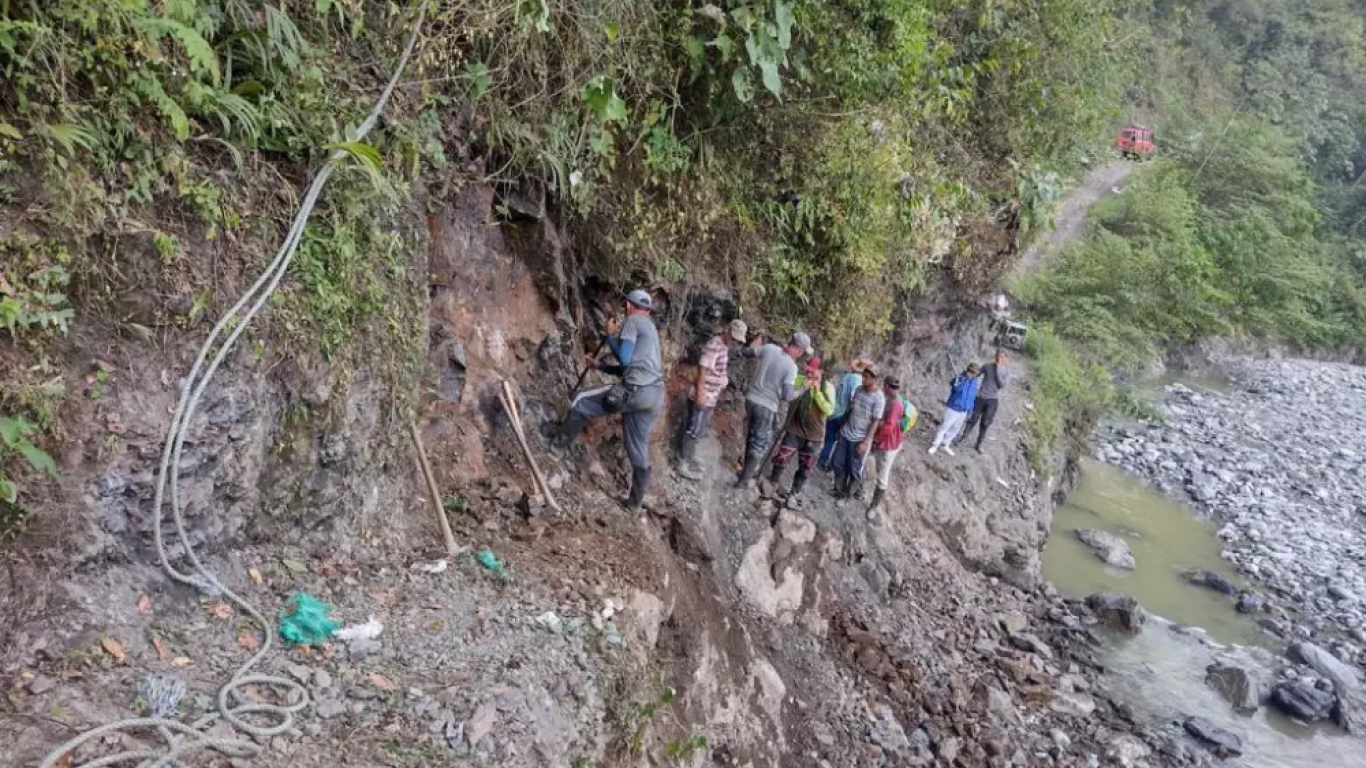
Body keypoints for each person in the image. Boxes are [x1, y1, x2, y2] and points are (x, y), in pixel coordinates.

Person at [548, 289, 664, 510]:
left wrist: (610, 335)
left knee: (582, 400)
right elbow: (630, 368)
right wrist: (599, 366)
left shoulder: (633, 321)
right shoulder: (651, 330)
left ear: (629, 306)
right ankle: (634, 505)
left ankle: (555, 449)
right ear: (647, 309)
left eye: (625, 306)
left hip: (636, 390)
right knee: (638, 448)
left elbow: (626, 360)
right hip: (655, 394)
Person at [736, 331, 813, 486]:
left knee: (751, 438)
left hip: (750, 400)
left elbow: (746, 352)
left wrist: (755, 342)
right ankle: (743, 482)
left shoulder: (769, 348)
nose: (802, 355)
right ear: (799, 349)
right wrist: (803, 388)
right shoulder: (791, 367)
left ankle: (745, 472)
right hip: (767, 406)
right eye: (803, 351)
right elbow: (787, 396)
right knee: (759, 444)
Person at [675, 318, 747, 480]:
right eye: (734, 337)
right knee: (692, 428)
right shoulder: (714, 345)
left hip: (711, 395)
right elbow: (702, 370)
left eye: (738, 340)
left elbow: (717, 369)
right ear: (728, 331)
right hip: (703, 394)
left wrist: (723, 380)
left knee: (699, 428)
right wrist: (701, 393)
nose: (735, 342)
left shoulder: (724, 347)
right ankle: (682, 462)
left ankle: (690, 455)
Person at [767, 356, 835, 501]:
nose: (809, 375)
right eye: (808, 371)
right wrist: (802, 386)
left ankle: (794, 492)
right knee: (782, 457)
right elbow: (785, 392)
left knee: (806, 466)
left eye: (813, 372)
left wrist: (817, 393)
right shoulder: (798, 379)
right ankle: (772, 483)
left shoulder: (828, 388)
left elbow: (829, 411)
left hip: (814, 435)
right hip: (794, 428)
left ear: (821, 372)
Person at [831, 365, 885, 501]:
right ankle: (839, 489)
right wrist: (841, 426)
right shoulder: (859, 390)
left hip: (860, 438)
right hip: (846, 432)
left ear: (874, 379)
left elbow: (875, 422)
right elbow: (851, 410)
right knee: (838, 462)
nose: (863, 379)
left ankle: (847, 496)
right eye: (863, 376)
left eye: (866, 377)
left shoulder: (879, 398)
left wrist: (866, 442)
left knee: (854, 469)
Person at [865, 375, 908, 517]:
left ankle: (873, 506)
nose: (883, 388)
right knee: (870, 462)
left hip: (890, 443)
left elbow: (888, 427)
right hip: (887, 439)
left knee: (883, 473)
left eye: (885, 386)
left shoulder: (895, 404)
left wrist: (876, 440)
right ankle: (863, 486)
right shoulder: (890, 398)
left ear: (888, 387)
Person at [818, 358, 871, 471]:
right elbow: (853, 399)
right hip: (843, 414)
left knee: (829, 439)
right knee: (840, 441)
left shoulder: (846, 377)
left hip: (834, 411)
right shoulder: (857, 381)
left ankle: (822, 460)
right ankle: (830, 465)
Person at [955, 349, 1010, 454]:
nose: (999, 358)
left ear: (1006, 359)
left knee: (985, 423)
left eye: (1002, 356)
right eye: (998, 355)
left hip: (993, 400)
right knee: (972, 419)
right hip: (980, 397)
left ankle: (978, 445)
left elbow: (1001, 385)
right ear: (995, 356)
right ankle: (962, 438)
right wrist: (965, 375)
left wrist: (998, 369)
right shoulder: (987, 366)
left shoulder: (1006, 372)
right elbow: (975, 374)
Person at [928, 363, 980, 456]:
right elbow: (955, 387)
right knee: (944, 426)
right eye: (971, 371)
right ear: (967, 370)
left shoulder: (975, 383)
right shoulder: (960, 378)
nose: (972, 374)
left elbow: (972, 397)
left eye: (974, 373)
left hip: (963, 411)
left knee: (955, 429)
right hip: (953, 408)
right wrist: (962, 379)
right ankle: (935, 445)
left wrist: (970, 409)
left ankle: (945, 444)